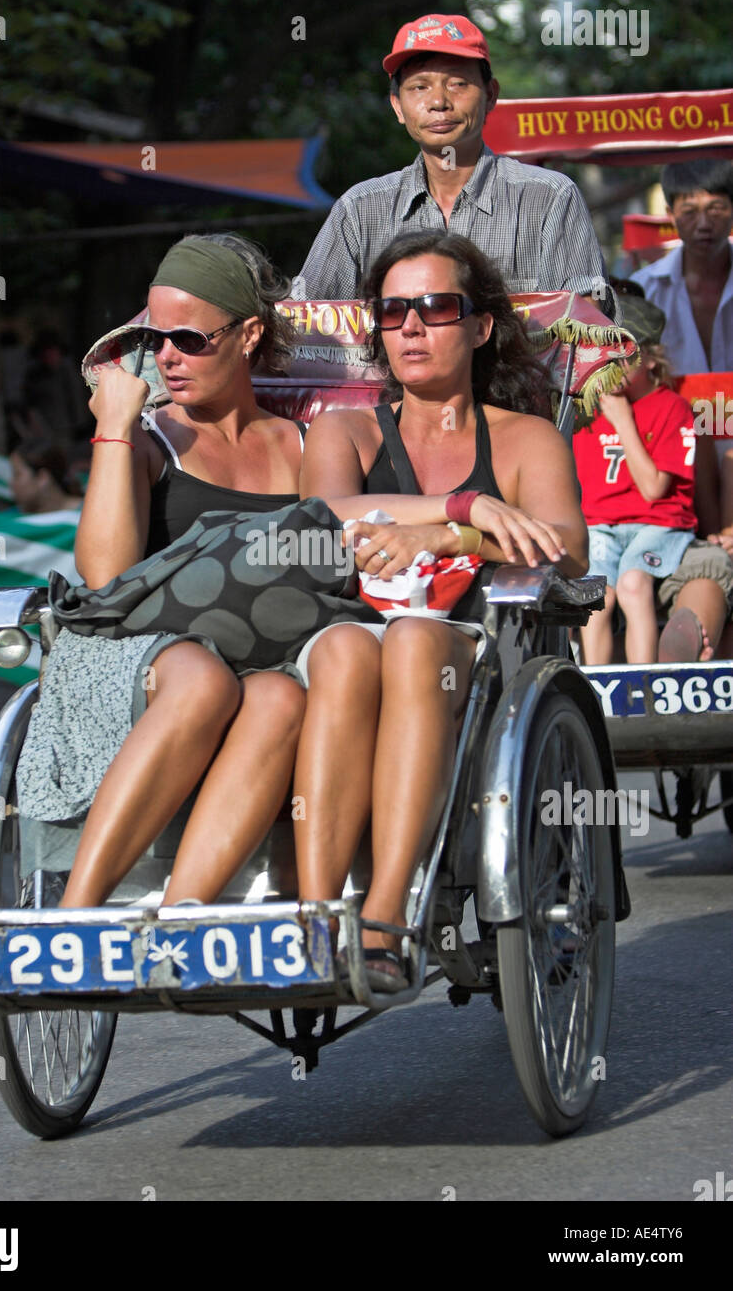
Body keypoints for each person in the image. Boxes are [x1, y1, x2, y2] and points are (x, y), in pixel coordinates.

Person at [291, 229, 589, 992]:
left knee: (416, 644)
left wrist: (447, 533)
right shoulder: (345, 429)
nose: (412, 327)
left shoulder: (523, 438)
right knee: (348, 650)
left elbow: (568, 550)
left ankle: (387, 918)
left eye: (435, 307)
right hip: (349, 639)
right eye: (393, 313)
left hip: (471, 652)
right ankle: (321, 917)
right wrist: (468, 507)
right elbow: (323, 517)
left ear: (481, 326)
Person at [14, 234, 309, 910]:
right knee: (202, 680)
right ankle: (77, 912)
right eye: (157, 336)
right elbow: (106, 572)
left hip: (261, 653)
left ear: (248, 334)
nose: (168, 355)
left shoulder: (301, 446)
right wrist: (115, 426)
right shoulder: (149, 439)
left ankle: (181, 918)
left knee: (279, 697)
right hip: (139, 651)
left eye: (188, 337)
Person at [296, 13, 613, 313]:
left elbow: (586, 326)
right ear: (398, 106)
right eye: (420, 87)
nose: (438, 102)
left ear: (490, 95)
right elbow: (303, 318)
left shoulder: (549, 198)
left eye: (458, 83)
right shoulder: (359, 211)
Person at [575, 292, 733, 664]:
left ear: (649, 357)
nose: (611, 362)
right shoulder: (585, 409)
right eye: (603, 351)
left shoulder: (671, 407)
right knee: (597, 595)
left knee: (632, 585)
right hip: (601, 527)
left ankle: (644, 679)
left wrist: (623, 422)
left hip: (657, 525)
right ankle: (597, 689)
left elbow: (653, 489)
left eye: (624, 353)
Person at [631, 158, 733, 372]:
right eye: (690, 212)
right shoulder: (643, 290)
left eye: (715, 209)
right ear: (671, 216)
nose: (704, 224)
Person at [10, 439, 82, 514]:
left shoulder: (87, 515)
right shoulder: (12, 517)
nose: (12, 483)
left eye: (17, 474)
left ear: (42, 477)